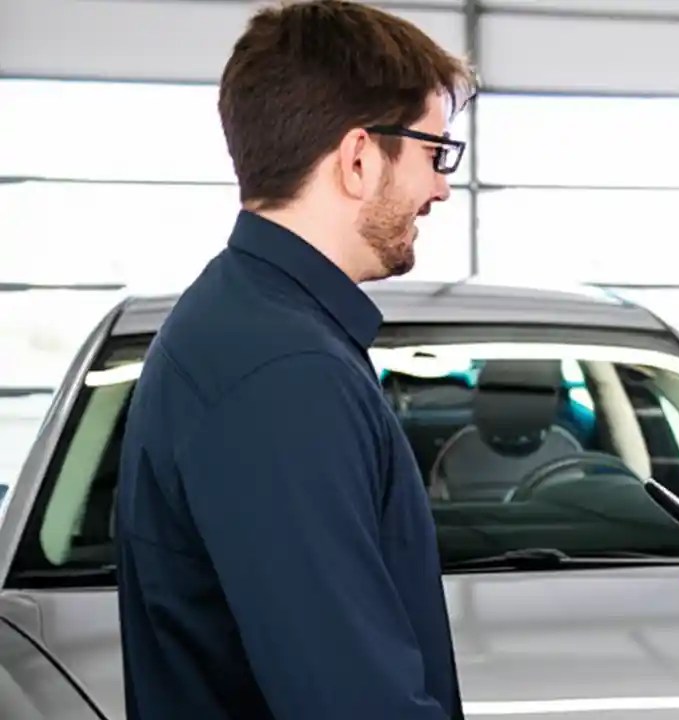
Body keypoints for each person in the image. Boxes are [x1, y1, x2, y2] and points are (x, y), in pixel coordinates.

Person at [113, 2, 474, 718]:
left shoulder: (246, 322)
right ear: (359, 158)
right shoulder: (286, 376)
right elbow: (353, 702)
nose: (439, 187)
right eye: (434, 154)